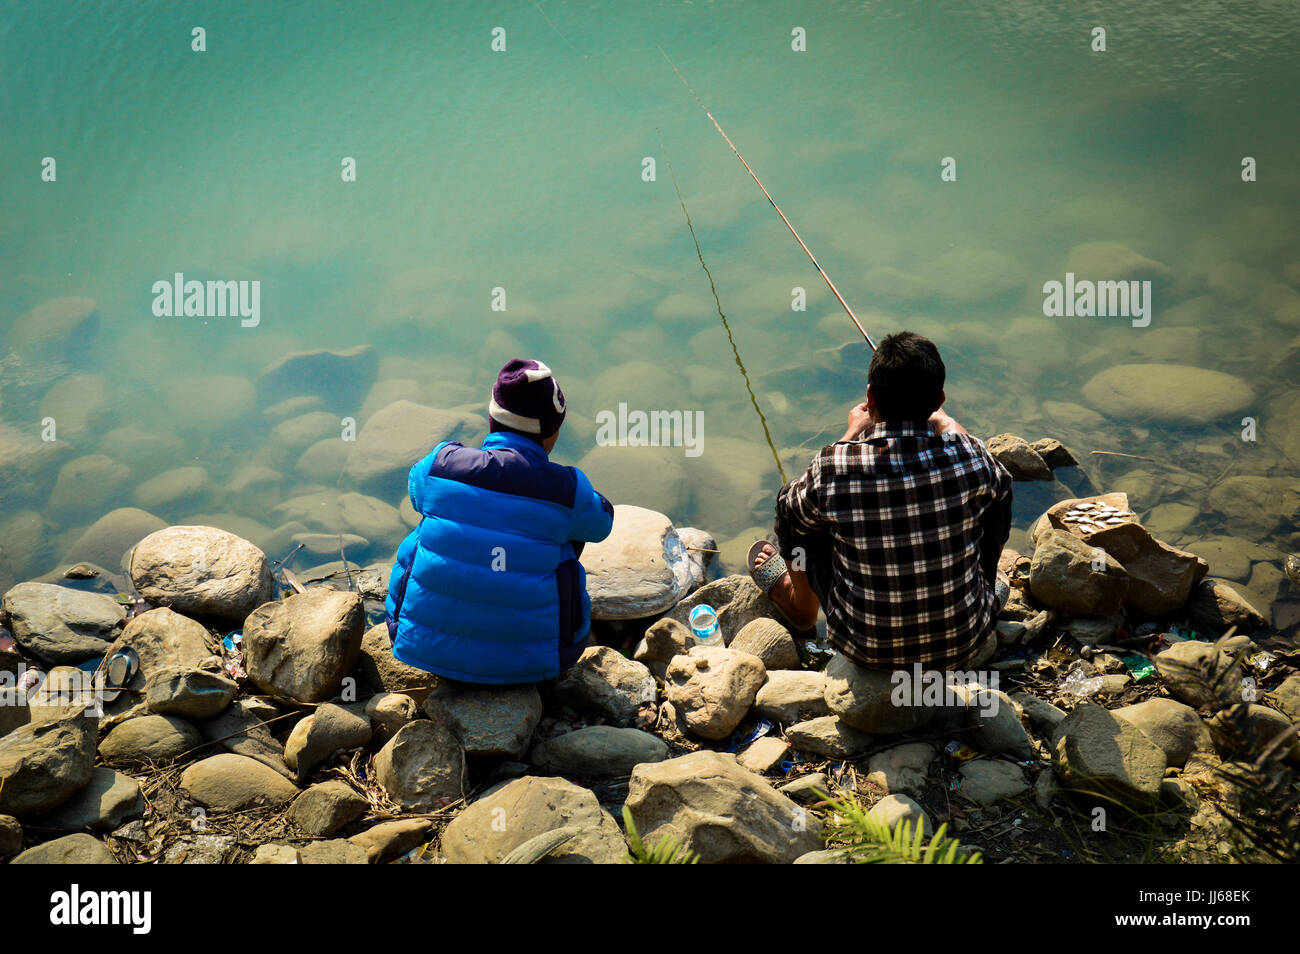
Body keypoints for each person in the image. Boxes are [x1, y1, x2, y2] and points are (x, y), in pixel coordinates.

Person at [751, 331, 1012, 670]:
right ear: (939, 399)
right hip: (966, 639)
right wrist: (943, 420)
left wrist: (849, 435)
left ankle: (801, 606)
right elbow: (999, 480)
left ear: (870, 396)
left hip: (862, 646)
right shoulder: (972, 457)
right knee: (997, 493)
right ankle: (981, 588)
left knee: (794, 510)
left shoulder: (834, 468)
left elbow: (791, 508)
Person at [386, 358, 614, 685]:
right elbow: (601, 525)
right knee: (565, 535)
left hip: (419, 644)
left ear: (490, 418)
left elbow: (415, 494)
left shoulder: (440, 464)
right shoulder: (565, 488)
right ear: (552, 434)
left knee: (431, 522)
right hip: (539, 660)